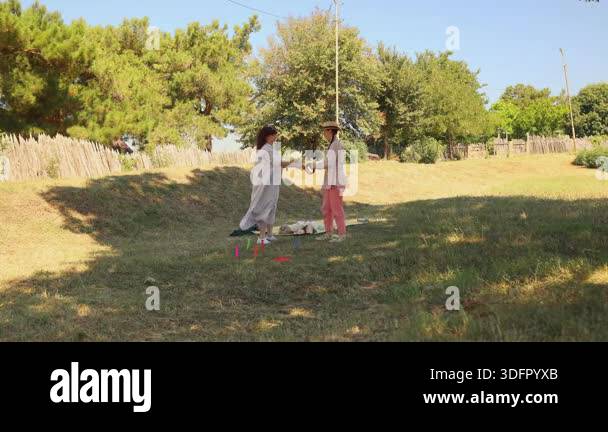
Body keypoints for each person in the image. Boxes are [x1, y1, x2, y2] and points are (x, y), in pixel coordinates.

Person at [239, 125, 295, 246]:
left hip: (272, 183)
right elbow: (279, 163)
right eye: (274, 135)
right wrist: (290, 162)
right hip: (265, 185)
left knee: (272, 206)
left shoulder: (270, 148)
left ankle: (269, 234)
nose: (276, 137)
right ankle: (261, 237)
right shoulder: (266, 149)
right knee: (265, 207)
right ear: (268, 136)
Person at [316, 121, 348, 243]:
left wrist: (313, 165)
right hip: (329, 182)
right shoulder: (332, 145)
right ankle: (328, 233)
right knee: (326, 208)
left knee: (336, 209)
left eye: (325, 130)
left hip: (335, 182)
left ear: (330, 131)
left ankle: (341, 234)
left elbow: (328, 164)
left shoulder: (336, 145)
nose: (323, 133)